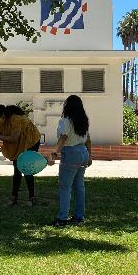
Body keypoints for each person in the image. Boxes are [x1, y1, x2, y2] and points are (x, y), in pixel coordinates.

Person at [0, 104, 42, 206]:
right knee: (17, 170)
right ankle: (14, 198)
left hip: (31, 142)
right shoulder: (0, 122)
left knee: (26, 169)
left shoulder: (16, 119)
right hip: (19, 144)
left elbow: (13, 138)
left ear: (4, 114)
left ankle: (32, 198)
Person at [49, 95, 91, 226]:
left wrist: (55, 152)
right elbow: (88, 139)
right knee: (79, 187)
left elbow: (64, 137)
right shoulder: (84, 120)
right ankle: (79, 217)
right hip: (83, 153)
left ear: (67, 106)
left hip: (71, 154)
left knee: (65, 187)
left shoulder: (65, 120)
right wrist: (90, 156)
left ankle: (62, 219)